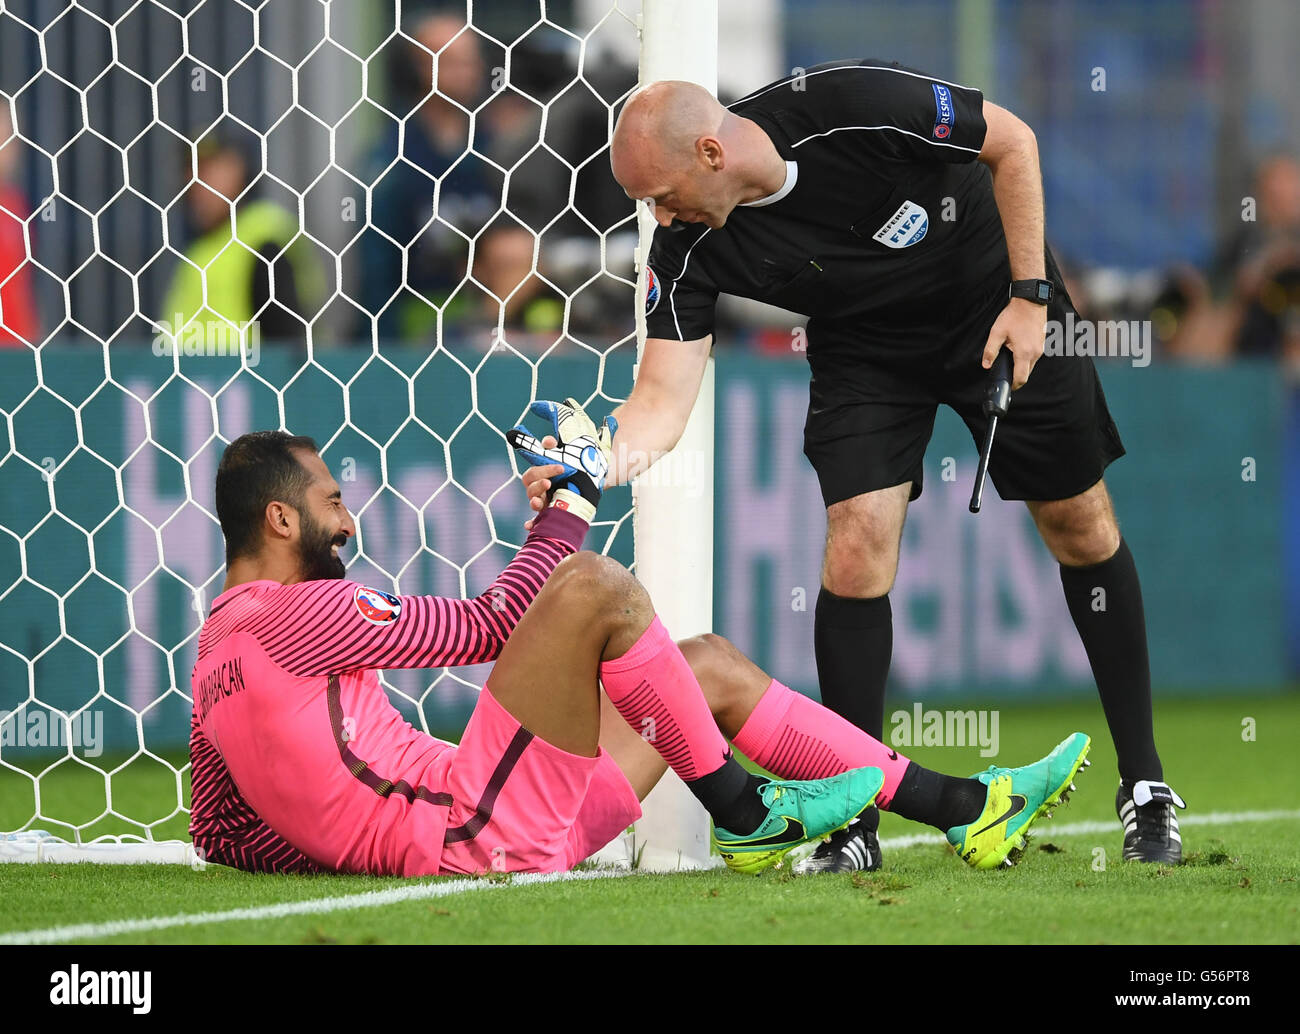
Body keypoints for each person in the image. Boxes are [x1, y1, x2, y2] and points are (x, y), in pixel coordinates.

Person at [533, 62, 1185, 872]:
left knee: (1080, 524)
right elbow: (661, 401)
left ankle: (1146, 786)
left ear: (710, 151)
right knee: (855, 544)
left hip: (993, 293)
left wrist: (1030, 296)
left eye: (661, 194)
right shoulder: (685, 247)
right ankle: (857, 821)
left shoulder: (847, 105)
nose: (658, 215)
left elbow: (1012, 142)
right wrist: (592, 460)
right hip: (865, 343)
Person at [189, 401, 1090, 877]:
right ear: (279, 518)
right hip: (475, 830)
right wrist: (573, 503)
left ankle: (966, 809)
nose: (348, 523)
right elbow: (494, 626)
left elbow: (218, 831)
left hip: (496, 813)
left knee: (707, 666)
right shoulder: (294, 615)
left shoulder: (216, 655)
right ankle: (743, 815)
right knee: (594, 587)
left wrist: (333, 846)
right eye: (332, 504)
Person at [158, 136, 323, 351]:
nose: (197, 183)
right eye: (191, 170)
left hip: (245, 380)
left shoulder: (264, 239)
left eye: (209, 171)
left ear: (237, 169)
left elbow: (286, 345)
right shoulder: (199, 248)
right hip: (194, 380)